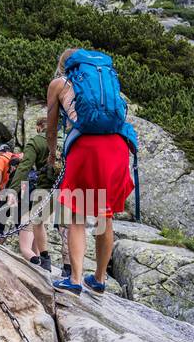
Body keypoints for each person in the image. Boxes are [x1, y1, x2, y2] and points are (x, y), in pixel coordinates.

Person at [45, 47, 136, 294]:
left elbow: (51, 129)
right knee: (105, 215)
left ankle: (74, 279)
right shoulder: (104, 80)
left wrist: (52, 156)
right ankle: (99, 280)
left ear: (64, 65)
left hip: (86, 147)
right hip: (117, 146)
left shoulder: (58, 84)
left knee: (76, 215)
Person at [7, 111, 52, 272]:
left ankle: (35, 262)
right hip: (54, 193)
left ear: (39, 127)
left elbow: (24, 167)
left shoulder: (37, 142)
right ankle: (43, 266)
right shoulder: (62, 142)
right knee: (40, 229)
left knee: (26, 243)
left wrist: (12, 190)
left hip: (37, 193)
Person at [0, 142, 22, 238]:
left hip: (7, 192)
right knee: (18, 221)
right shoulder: (15, 157)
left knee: (0, 220)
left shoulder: (1, 157)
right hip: (20, 192)